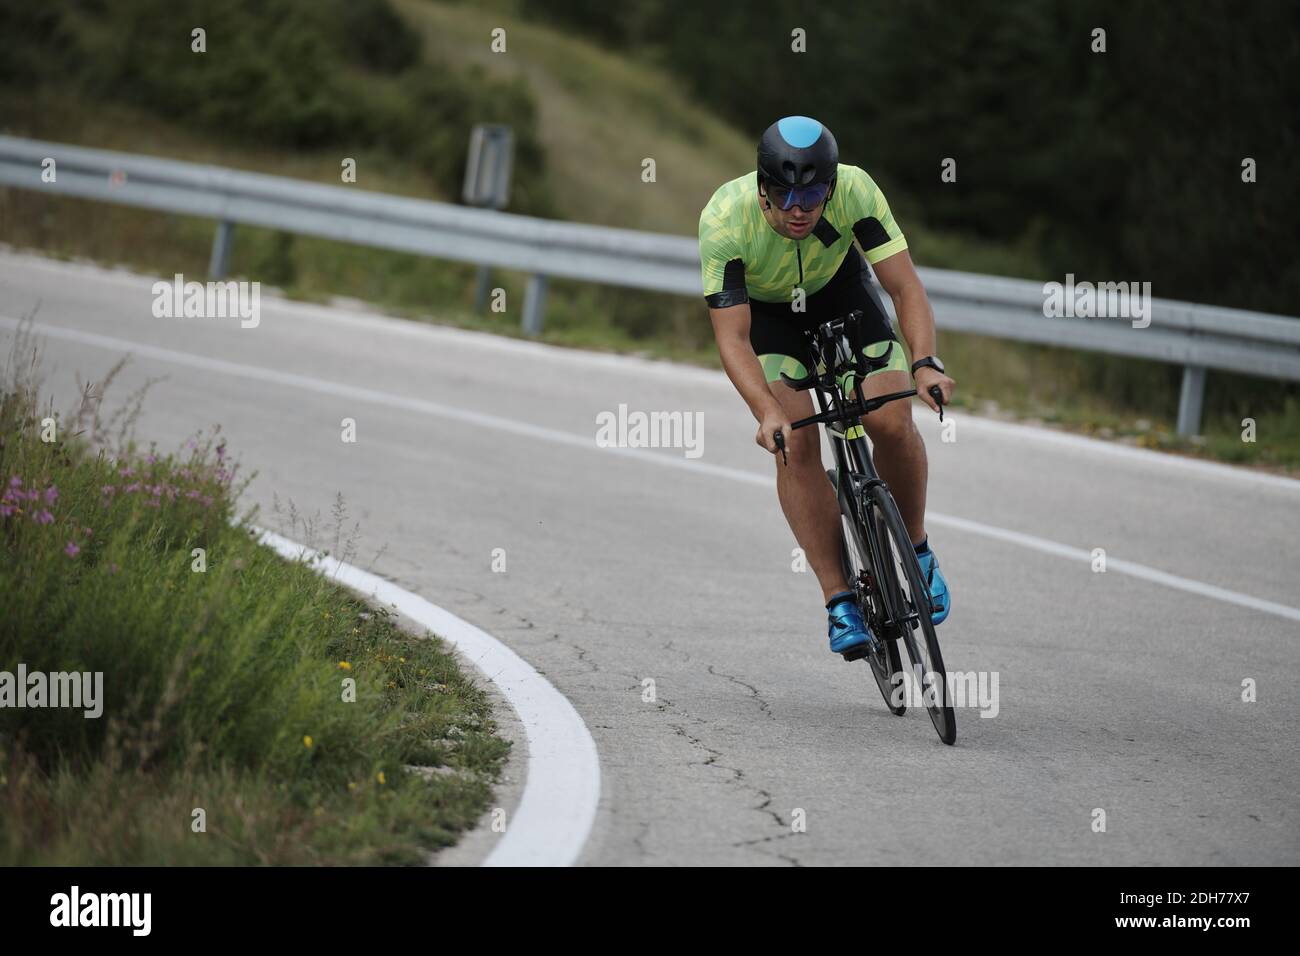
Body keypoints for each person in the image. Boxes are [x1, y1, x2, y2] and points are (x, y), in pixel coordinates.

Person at [698, 115, 953, 655]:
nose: (798, 208)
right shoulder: (724, 218)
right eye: (783, 194)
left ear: (831, 187)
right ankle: (839, 599)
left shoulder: (856, 189)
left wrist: (925, 362)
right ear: (761, 187)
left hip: (840, 292)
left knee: (890, 417)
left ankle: (917, 548)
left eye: (812, 193)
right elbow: (734, 339)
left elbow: (905, 288)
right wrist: (766, 412)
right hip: (769, 318)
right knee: (795, 443)